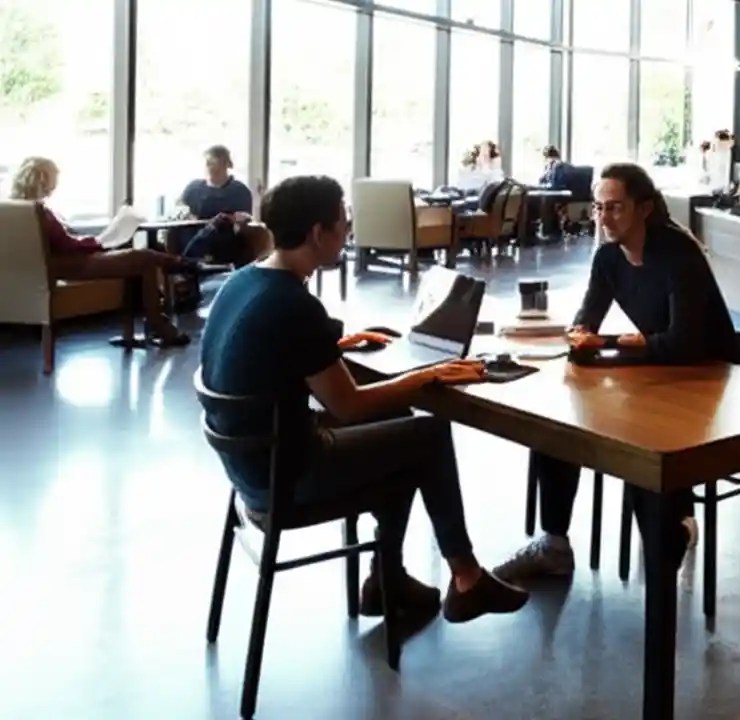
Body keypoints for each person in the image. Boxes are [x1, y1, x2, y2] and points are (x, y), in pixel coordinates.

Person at [200, 175, 529, 625]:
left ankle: (387, 579)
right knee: (427, 433)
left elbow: (274, 356)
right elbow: (348, 407)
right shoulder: (294, 305)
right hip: (286, 476)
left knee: (396, 421)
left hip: (249, 467)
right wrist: (426, 374)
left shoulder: (241, 283)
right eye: (343, 220)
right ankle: (466, 577)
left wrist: (331, 349)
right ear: (319, 233)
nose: (348, 229)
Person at [495, 163, 740, 584]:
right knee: (558, 422)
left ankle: (671, 528)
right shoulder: (609, 257)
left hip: (708, 375)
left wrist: (623, 345)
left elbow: (684, 342)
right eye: (598, 208)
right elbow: (586, 320)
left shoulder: (679, 254)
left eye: (615, 207)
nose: (604, 218)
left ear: (643, 208)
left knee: (640, 434)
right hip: (656, 369)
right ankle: (554, 544)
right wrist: (581, 336)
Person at [7, 156, 189, 346]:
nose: (54, 187)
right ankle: (176, 271)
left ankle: (157, 314)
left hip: (54, 264)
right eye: (53, 180)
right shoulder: (39, 211)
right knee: (142, 257)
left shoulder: (14, 208)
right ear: (43, 178)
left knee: (142, 261)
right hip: (68, 265)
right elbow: (67, 246)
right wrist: (98, 242)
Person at [174, 145, 266, 266]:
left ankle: (189, 261)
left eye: (212, 162)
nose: (208, 166)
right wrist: (182, 212)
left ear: (225, 165)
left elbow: (245, 221)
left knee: (220, 227)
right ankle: (188, 262)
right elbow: (179, 207)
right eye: (207, 163)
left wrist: (239, 220)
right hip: (195, 233)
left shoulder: (239, 191)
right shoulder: (193, 188)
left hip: (224, 239)